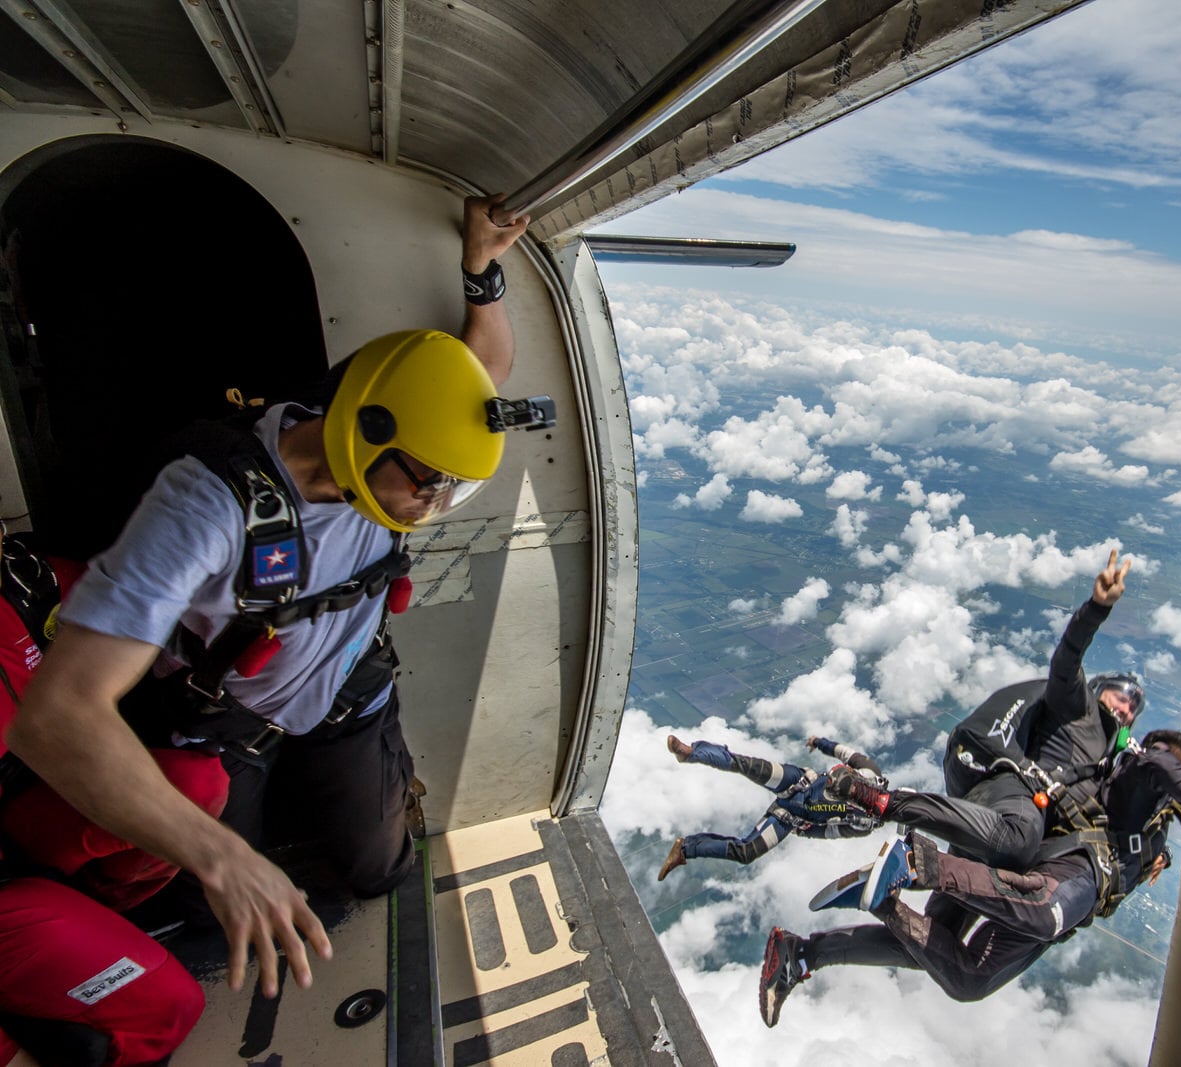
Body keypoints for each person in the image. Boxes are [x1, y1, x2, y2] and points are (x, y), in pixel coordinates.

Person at [3, 193, 533, 1000]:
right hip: (232, 720)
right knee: (213, 907)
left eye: (450, 490)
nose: (431, 506)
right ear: (370, 429)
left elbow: (483, 368)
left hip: (347, 695)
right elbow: (57, 716)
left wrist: (482, 267)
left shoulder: (403, 439)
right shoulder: (205, 507)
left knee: (378, 866)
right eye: (428, 483)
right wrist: (225, 859)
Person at [758, 730, 1181, 1025]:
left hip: (1020, 889)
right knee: (1046, 915)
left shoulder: (1150, 832)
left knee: (961, 974)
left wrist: (1158, 856)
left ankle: (804, 952)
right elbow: (1155, 763)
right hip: (1043, 882)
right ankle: (915, 863)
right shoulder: (1142, 778)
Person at [0, 532, 229, 1065]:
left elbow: (137, 609)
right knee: (167, 1010)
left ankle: (102, 913)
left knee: (195, 785)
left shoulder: (30, 581)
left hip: (31, 808)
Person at [824, 548, 1143, 870]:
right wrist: (1097, 609)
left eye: (1134, 708)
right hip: (1014, 795)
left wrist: (1154, 853)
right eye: (1122, 695)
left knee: (964, 907)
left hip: (1017, 816)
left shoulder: (1107, 761)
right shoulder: (1079, 707)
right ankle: (885, 800)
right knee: (1018, 842)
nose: (1127, 707)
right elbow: (1066, 660)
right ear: (1099, 690)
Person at [657, 734, 885, 880]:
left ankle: (686, 849)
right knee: (746, 765)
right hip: (798, 781)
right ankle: (690, 752)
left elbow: (830, 831)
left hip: (790, 817)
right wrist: (819, 743)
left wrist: (803, 829)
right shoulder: (870, 773)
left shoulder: (862, 824)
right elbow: (843, 752)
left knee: (747, 853)